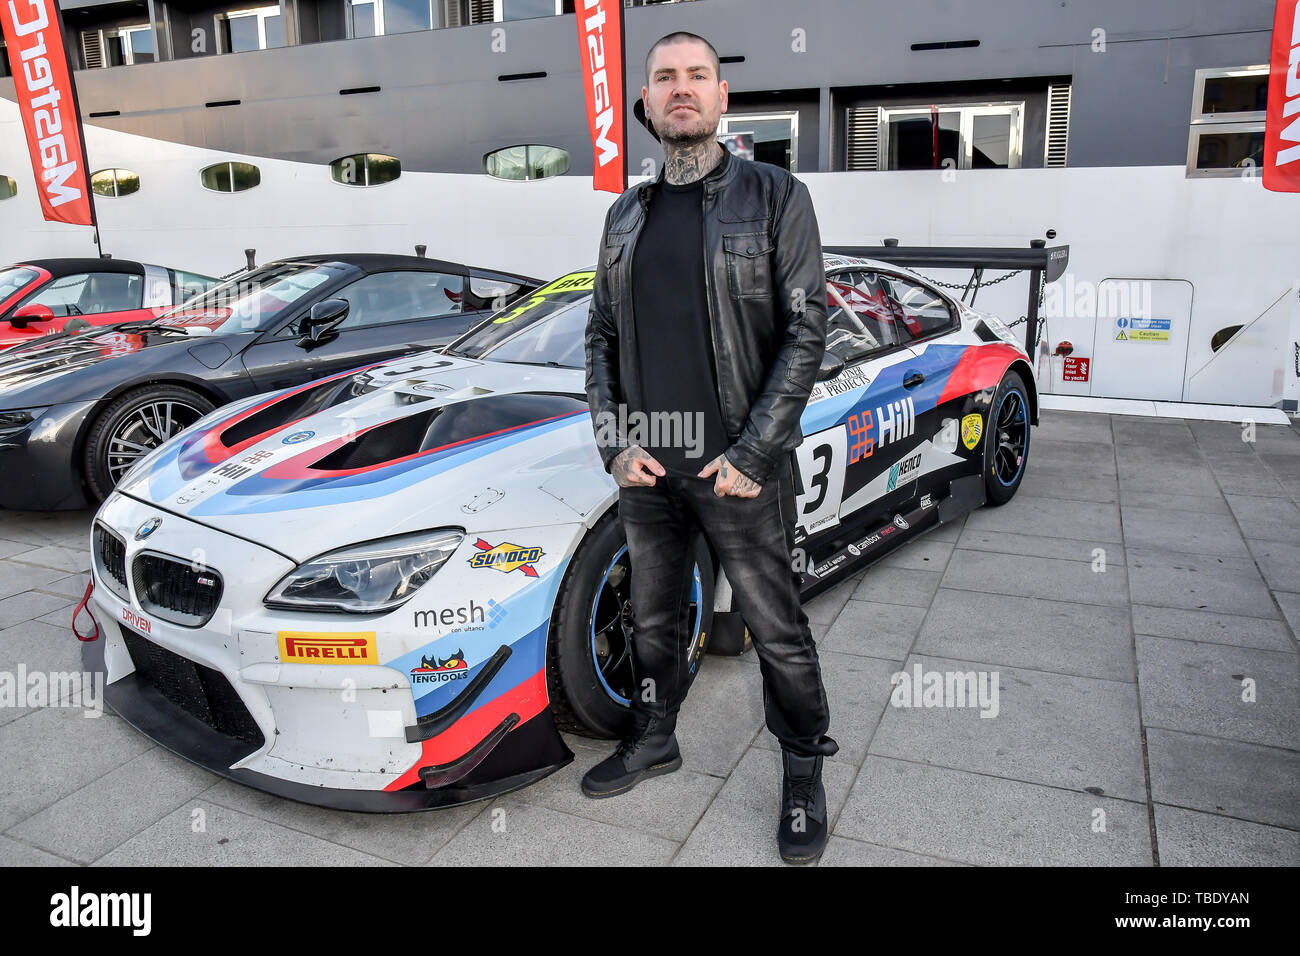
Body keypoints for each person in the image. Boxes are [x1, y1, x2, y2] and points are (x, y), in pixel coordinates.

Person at [582, 30, 838, 864]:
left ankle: (803, 770)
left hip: (738, 468)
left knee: (778, 631)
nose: (681, 89)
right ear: (646, 104)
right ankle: (656, 736)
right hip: (650, 467)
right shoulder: (625, 214)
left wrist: (756, 454)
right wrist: (614, 443)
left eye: (697, 76)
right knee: (655, 621)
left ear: (723, 96)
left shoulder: (773, 195)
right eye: (665, 78)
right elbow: (600, 333)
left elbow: (807, 331)